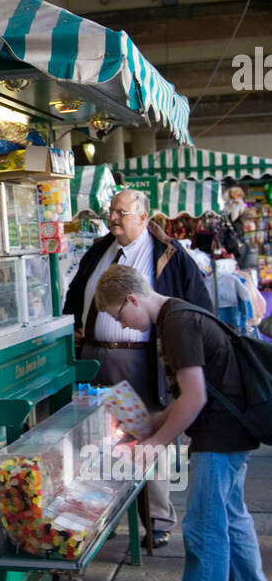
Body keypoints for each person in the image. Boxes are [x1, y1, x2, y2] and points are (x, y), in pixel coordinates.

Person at [94, 262, 270, 581]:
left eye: (118, 315)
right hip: (230, 430)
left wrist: (155, 444)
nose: (122, 325)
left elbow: (195, 396)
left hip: (219, 434)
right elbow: (193, 394)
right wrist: (154, 425)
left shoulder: (176, 324)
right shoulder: (177, 315)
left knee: (204, 522)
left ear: (131, 298)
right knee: (230, 513)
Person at [64, 187, 214, 547]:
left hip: (144, 360)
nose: (113, 218)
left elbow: (199, 308)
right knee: (99, 440)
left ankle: (157, 518)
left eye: (121, 212)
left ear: (144, 217)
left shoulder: (170, 255)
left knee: (148, 430)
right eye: (111, 212)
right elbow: (75, 294)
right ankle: (105, 512)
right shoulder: (100, 250)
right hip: (95, 358)